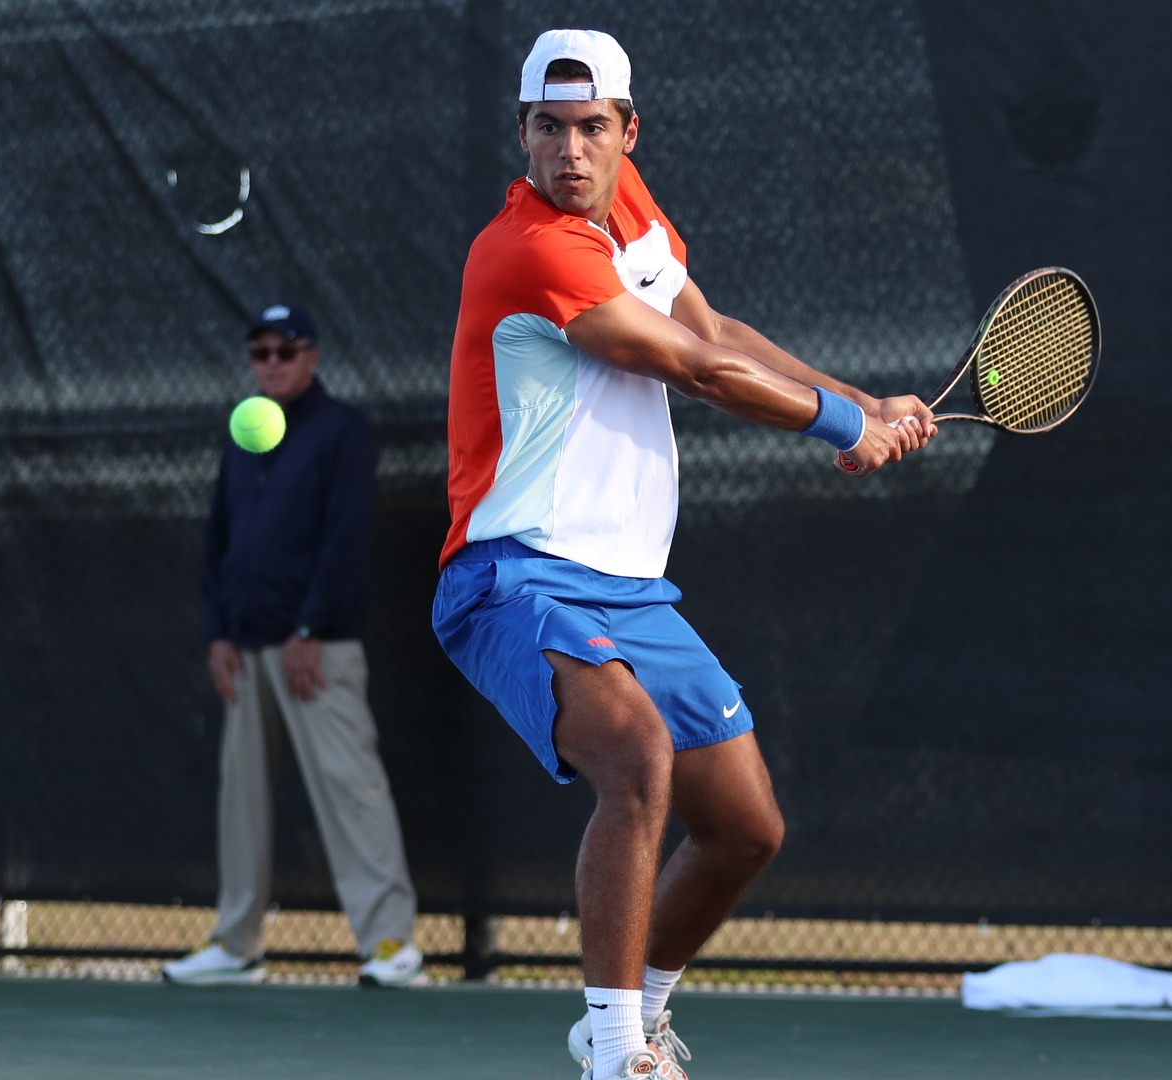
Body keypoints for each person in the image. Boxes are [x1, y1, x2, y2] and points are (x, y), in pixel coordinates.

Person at [432, 29, 934, 1080]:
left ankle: (636, 1017)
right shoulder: (529, 248)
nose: (571, 151)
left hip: (628, 589)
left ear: (628, 131)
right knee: (636, 756)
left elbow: (713, 328)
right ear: (521, 134)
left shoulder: (626, 207)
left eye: (592, 128)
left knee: (746, 830)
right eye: (549, 129)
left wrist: (862, 399)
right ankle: (618, 1054)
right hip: (512, 576)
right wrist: (843, 428)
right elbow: (696, 371)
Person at [164, 303, 423, 989]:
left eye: (285, 350)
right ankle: (237, 944)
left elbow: (346, 540)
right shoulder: (242, 435)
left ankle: (391, 942)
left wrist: (310, 629)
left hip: (317, 652)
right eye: (261, 352)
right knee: (240, 800)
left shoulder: (342, 432)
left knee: (353, 789)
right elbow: (219, 541)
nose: (272, 363)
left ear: (312, 357)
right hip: (245, 649)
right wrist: (218, 633)